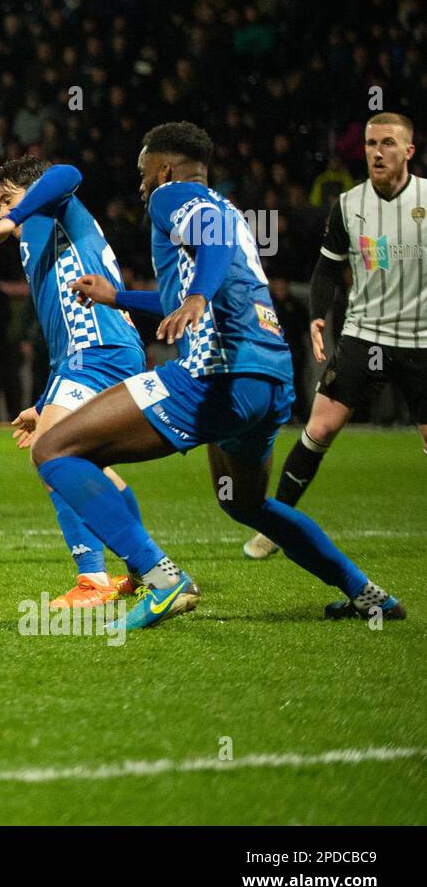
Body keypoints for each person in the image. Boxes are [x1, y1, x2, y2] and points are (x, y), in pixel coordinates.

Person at [37, 121, 404, 630]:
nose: (141, 182)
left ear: (163, 168)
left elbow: (207, 248)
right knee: (245, 501)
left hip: (218, 375)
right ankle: (368, 594)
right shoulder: (230, 211)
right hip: (269, 380)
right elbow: (198, 274)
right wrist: (120, 297)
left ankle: (163, 579)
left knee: (53, 449)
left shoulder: (173, 196)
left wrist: (195, 298)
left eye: (144, 171)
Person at [245, 112, 427, 559]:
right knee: (319, 426)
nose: (376, 152)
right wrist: (317, 315)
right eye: (369, 143)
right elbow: (327, 266)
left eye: (387, 143)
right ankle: (275, 527)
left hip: (422, 339)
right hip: (365, 334)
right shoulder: (349, 204)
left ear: (409, 151)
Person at [0, 156, 145, 608]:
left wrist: (13, 216)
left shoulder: (57, 207)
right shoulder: (36, 236)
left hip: (100, 348)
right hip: (87, 355)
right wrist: (45, 400)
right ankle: (145, 570)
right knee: (90, 466)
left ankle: (93, 578)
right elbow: (60, 335)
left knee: (49, 454)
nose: (0, 213)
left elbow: (68, 172)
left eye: (6, 199)